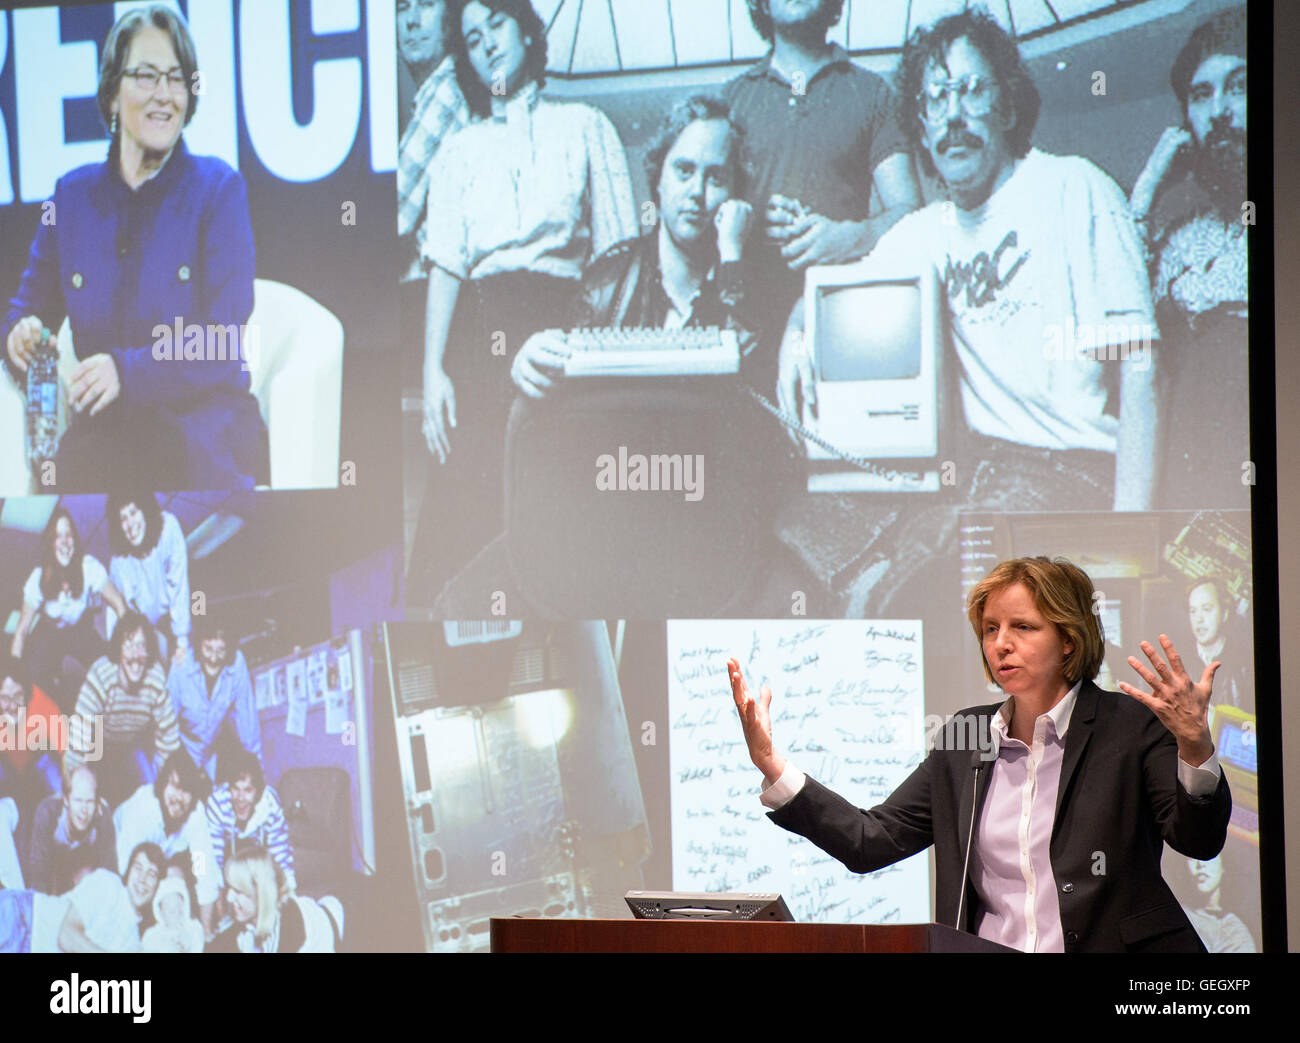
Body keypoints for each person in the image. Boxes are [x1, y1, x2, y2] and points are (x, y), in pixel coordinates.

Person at [727, 556, 1231, 952]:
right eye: (991, 629)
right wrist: (773, 765)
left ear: (1070, 642)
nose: (1000, 645)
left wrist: (1194, 744)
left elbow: (1198, 839)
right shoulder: (967, 734)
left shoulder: (1131, 726)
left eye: (1023, 628)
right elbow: (871, 840)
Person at [780, 9, 1158, 513]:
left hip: (1075, 468)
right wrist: (794, 339)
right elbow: (824, 298)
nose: (952, 115)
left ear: (1005, 107)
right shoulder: (924, 233)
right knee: (825, 542)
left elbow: (1141, 366)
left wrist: (1130, 534)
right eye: (935, 99)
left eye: (971, 90)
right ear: (921, 124)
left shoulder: (1075, 187)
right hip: (986, 474)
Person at [411, 0, 637, 597]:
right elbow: (446, 265)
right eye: (471, 37)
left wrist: (592, 354)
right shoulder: (456, 153)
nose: (486, 43)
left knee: (562, 508)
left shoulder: (586, 126)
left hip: (563, 327)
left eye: (497, 24)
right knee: (466, 511)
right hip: (476, 337)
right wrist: (433, 371)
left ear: (526, 31)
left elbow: (618, 262)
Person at [3, 4, 268, 491]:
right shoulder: (69, 197)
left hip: (203, 431)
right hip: (107, 438)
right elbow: (24, 309)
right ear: (111, 94)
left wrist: (128, 370)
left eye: (177, 79)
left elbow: (224, 337)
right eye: (146, 77)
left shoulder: (219, 189)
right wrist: (19, 333)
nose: (165, 95)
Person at [722, 0, 919, 389]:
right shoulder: (731, 99)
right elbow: (705, 213)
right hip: (743, 330)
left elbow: (911, 213)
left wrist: (851, 236)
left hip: (841, 325)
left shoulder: (874, 93)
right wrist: (752, 219)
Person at [509, 95, 758, 398]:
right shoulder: (607, 281)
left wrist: (732, 257)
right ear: (659, 181)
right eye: (684, 170)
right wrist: (528, 359)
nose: (696, 191)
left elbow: (746, 384)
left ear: (735, 194)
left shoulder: (754, 277)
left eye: (716, 178)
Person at [1130, 9, 1248, 509]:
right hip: (1187, 477)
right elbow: (1118, 327)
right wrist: (1146, 193)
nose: (1219, 110)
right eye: (1201, 95)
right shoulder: (1179, 237)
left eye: (1239, 87)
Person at [396, 0, 469, 382]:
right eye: (401, 7)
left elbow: (393, 217)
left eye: (425, 4)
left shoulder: (445, 93)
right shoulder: (442, 92)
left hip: (425, 302)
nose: (411, 21)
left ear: (449, 20)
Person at [10, 507, 126, 712]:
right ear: (50, 544)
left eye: (68, 535)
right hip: (49, 633)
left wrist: (126, 647)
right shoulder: (38, 579)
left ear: (74, 540)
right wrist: (13, 675)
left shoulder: (89, 568)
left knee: (107, 667)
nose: (64, 542)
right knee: (33, 676)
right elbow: (21, 631)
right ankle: (57, 708)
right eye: (58, 536)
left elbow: (119, 605)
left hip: (80, 630)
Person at [65, 613, 180, 806]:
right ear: (118, 650)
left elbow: (168, 741)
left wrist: (164, 789)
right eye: (129, 645)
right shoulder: (101, 675)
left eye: (142, 646)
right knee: (88, 800)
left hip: (133, 746)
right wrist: (76, 790)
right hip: (97, 746)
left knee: (153, 798)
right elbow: (78, 739)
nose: (135, 654)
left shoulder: (156, 678)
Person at [113, 750, 218, 936]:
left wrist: (207, 933)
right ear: (162, 786)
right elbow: (122, 869)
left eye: (186, 791)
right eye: (174, 786)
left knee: (175, 876)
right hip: (117, 858)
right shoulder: (143, 808)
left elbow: (204, 871)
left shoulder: (196, 816)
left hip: (159, 862)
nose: (179, 797)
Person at [0, 841, 164, 953]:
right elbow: (66, 936)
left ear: (157, 886)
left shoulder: (133, 944)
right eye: (138, 867)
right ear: (128, 871)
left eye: (151, 874)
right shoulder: (108, 884)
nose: (142, 879)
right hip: (22, 920)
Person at [168, 613, 261, 778]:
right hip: (179, 750)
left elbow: (248, 726)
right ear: (198, 646)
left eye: (220, 651)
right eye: (208, 649)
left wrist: (257, 777)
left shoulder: (237, 663)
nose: (213, 658)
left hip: (210, 754)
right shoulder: (181, 666)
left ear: (229, 649)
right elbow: (166, 727)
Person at [106, 491, 191, 665]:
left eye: (133, 512)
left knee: (183, 664)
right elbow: (115, 610)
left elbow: (179, 585)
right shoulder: (118, 562)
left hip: (174, 613)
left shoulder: (168, 529)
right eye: (123, 519)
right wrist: (114, 653)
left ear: (146, 510)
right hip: (145, 624)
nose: (130, 524)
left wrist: (182, 640)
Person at [207, 846, 341, 953]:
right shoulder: (245, 918)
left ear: (260, 892)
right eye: (229, 888)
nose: (230, 898)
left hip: (345, 917)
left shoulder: (290, 925)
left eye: (238, 891)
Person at [205, 748, 295, 891]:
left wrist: (288, 894)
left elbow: (282, 859)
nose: (240, 798)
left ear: (258, 792)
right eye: (236, 789)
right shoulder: (217, 804)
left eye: (248, 790)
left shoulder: (271, 807)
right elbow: (214, 860)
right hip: (229, 862)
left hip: (259, 863)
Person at [26, 764, 118, 896]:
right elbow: (37, 873)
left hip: (82, 866)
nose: (84, 810)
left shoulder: (102, 815)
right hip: (52, 864)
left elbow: (111, 874)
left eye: (90, 801)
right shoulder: (48, 812)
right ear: (66, 800)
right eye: (78, 800)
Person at [0, 653, 65, 813]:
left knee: (53, 775)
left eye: (18, 696)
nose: (12, 706)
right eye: (5, 698)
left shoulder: (41, 706)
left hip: (36, 762)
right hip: (7, 766)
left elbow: (67, 754)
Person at [1186, 576, 1253, 714]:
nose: (1199, 619)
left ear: (1224, 613)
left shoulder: (1245, 665)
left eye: (1206, 609)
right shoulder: (1180, 663)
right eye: (1193, 611)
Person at [1182, 854, 1256, 953]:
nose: (1200, 864)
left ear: (1223, 866)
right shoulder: (1172, 915)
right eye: (1192, 858)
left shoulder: (1235, 932)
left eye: (1210, 855)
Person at [141, 869, 204, 953]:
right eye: (170, 910)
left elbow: (197, 947)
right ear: (159, 910)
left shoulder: (193, 929)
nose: (175, 912)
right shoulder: (152, 936)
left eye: (178, 906)